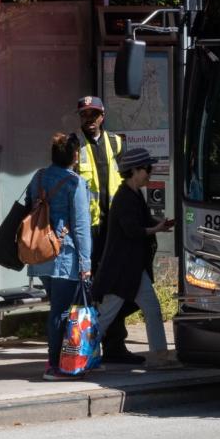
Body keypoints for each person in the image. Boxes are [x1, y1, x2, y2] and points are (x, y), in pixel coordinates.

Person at [92, 146, 176, 368]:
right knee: (105, 317)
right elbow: (132, 230)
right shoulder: (124, 198)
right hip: (120, 271)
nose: (150, 173)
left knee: (151, 309)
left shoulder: (135, 194)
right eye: (147, 169)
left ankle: (160, 356)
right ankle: (78, 353)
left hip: (132, 269)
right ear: (134, 170)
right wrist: (156, 229)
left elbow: (143, 222)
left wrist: (160, 224)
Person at [73, 95, 139, 364]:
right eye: (84, 114)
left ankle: (115, 345)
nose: (89, 119)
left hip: (114, 227)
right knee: (88, 287)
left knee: (115, 285)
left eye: (93, 114)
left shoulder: (116, 143)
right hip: (87, 229)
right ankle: (87, 348)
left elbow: (129, 183)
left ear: (102, 116)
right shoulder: (73, 144)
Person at [26, 133, 92, 381]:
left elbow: (29, 206)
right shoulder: (75, 183)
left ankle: (64, 360)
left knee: (57, 307)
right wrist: (86, 263)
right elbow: (81, 227)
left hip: (40, 253)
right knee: (61, 312)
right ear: (74, 156)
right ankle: (54, 365)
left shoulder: (38, 177)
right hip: (65, 255)